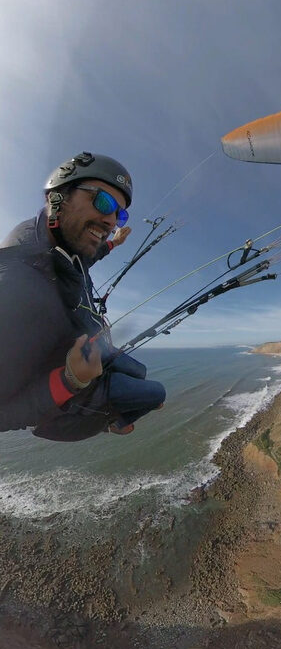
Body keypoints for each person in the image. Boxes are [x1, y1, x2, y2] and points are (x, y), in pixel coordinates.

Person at [0, 151, 166, 441]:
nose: (111, 220)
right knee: (155, 394)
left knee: (138, 371)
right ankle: (115, 421)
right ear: (58, 197)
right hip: (71, 390)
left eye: (120, 214)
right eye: (103, 202)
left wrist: (113, 244)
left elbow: (82, 260)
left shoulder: (53, 239)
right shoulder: (18, 288)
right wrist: (71, 379)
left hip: (85, 350)